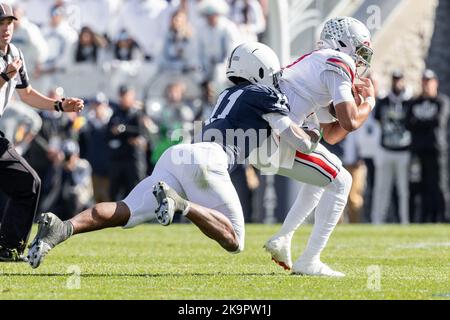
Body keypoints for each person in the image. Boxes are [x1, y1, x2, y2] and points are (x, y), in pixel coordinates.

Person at [26, 42, 320, 268]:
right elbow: (295, 139)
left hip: (178, 155)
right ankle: (180, 204)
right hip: (209, 159)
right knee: (234, 241)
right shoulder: (264, 94)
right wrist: (312, 137)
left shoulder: (226, 95)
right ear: (261, 70)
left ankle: (62, 227)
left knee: (124, 209)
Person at [262, 17, 375, 276]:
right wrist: (369, 102)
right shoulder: (336, 61)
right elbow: (351, 120)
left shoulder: (317, 65)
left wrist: (353, 104)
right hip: (278, 134)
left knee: (321, 177)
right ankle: (309, 260)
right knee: (342, 180)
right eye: (358, 49)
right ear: (343, 44)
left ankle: (283, 237)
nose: (360, 58)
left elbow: (333, 134)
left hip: (270, 136)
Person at [0, 3, 84, 262]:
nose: (6, 29)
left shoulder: (15, 52)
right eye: (0, 24)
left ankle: (9, 249)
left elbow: (26, 95)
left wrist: (58, 105)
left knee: (28, 183)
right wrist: (4, 78)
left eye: (9, 23)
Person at [406, 69, 450, 222]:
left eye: (429, 82)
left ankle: (443, 217)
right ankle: (426, 218)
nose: (426, 86)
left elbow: (439, 122)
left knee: (439, 185)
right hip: (418, 151)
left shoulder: (442, 101)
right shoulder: (414, 102)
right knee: (421, 186)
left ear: (435, 83)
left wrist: (419, 122)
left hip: (437, 150)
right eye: (424, 82)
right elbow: (408, 124)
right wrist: (425, 123)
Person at [372, 70, 411, 224]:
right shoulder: (383, 101)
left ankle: (405, 220)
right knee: (382, 188)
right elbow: (376, 120)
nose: (397, 82)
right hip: (385, 149)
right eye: (395, 79)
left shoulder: (409, 101)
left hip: (403, 150)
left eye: (399, 79)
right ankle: (377, 220)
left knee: (403, 190)